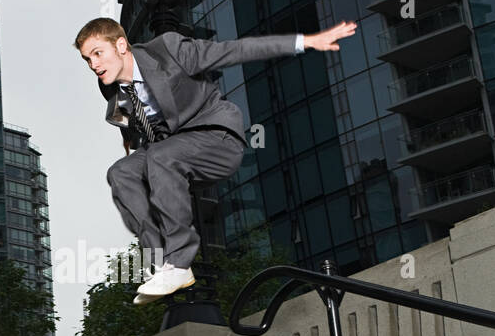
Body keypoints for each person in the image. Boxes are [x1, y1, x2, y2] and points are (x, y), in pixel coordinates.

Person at [75, 17, 357, 303]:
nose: (94, 65)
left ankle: (180, 262)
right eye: (87, 59)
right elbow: (137, 117)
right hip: (172, 149)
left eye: (98, 54)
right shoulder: (109, 85)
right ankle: (159, 261)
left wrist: (306, 41)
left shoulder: (169, 51)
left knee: (161, 156)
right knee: (121, 173)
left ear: (121, 45)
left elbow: (233, 50)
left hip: (217, 138)